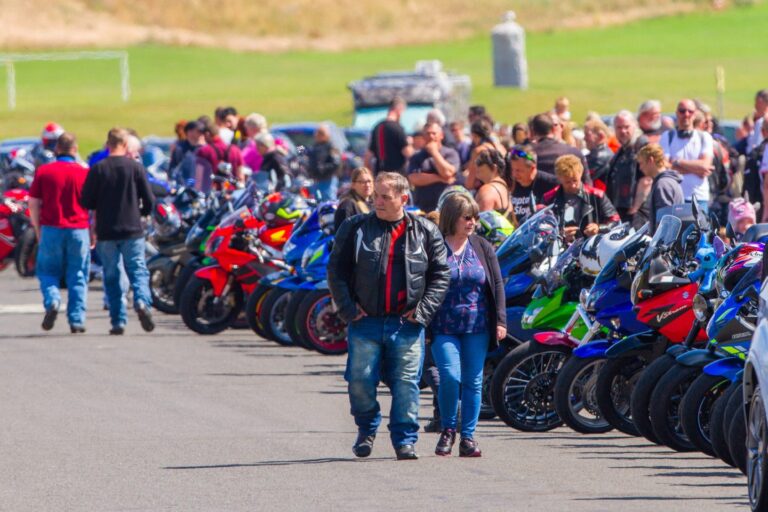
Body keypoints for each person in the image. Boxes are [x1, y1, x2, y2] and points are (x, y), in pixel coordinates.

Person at [327, 172, 450, 461]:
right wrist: (347, 308)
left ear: (403, 199)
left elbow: (441, 275)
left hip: (406, 324)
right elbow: (336, 270)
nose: (377, 201)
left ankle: (405, 440)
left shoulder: (425, 230)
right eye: (375, 196)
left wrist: (422, 312)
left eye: (385, 197)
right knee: (359, 380)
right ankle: (367, 427)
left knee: (407, 383)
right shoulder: (355, 227)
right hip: (364, 321)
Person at [431, 193, 506, 457]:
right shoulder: (436, 246)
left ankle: (469, 437)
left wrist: (500, 320)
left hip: (478, 325)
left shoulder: (482, 246)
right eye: (467, 217)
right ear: (452, 218)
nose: (472, 222)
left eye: (474, 217)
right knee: (450, 376)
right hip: (443, 325)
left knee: (474, 382)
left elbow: (496, 284)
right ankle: (449, 429)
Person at [80, 128, 156, 336]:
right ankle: (142, 301)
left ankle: (118, 320)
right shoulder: (135, 168)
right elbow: (149, 200)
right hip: (132, 228)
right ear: (124, 145)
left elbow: (85, 200)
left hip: (107, 230)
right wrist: (141, 213)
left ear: (108, 144)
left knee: (112, 276)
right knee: (138, 270)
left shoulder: (99, 168)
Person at [28, 132, 90, 333]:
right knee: (78, 273)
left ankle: (53, 299)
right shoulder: (84, 172)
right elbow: (93, 206)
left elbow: (34, 203)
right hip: (79, 228)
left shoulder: (44, 172)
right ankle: (77, 318)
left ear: (57, 149)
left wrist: (38, 228)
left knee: (47, 271)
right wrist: (94, 231)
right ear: (75, 149)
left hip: (52, 228)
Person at [544, 154, 620, 240]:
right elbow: (542, 228)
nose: (573, 185)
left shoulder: (596, 195)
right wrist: (559, 234)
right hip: (560, 249)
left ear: (581, 174)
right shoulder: (549, 198)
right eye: (567, 182)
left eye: (575, 180)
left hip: (590, 246)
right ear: (559, 178)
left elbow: (615, 221)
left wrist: (598, 228)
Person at [660, 98, 714, 209]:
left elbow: (705, 165)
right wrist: (696, 169)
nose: (686, 114)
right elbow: (665, 167)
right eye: (682, 111)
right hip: (674, 197)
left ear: (695, 114)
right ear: (676, 113)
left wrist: (677, 162)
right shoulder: (667, 136)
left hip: (699, 198)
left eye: (690, 111)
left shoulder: (704, 137)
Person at [407, 122, 461, 212]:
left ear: (441, 135)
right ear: (423, 136)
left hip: (447, 207)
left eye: (434, 133)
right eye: (428, 134)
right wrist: (439, 178)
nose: (431, 136)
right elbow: (414, 178)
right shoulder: (416, 156)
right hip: (423, 207)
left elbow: (447, 173)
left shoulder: (451, 153)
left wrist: (434, 152)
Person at [632, 143, 684, 232]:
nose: (640, 168)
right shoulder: (667, 182)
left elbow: (665, 221)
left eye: (641, 163)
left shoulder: (663, 184)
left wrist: (659, 243)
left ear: (650, 160)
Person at [605, 111, 643, 221]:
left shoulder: (641, 146)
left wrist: (635, 209)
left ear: (635, 126)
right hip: (621, 211)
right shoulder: (620, 152)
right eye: (619, 127)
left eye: (627, 127)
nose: (623, 131)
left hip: (637, 214)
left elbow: (646, 180)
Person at [508, 144, 558, 224]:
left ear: (532, 168)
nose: (514, 175)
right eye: (513, 170)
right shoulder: (512, 184)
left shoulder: (551, 184)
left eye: (519, 171)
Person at [530, 113, 589, 178]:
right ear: (553, 129)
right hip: (566, 187)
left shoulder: (528, 154)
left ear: (532, 132)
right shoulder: (574, 152)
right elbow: (587, 183)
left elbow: (518, 153)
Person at [365, 96, 412, 175]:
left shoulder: (378, 127)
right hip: (396, 175)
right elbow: (408, 152)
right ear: (399, 110)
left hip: (380, 174)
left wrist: (369, 173)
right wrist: (410, 143)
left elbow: (368, 156)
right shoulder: (398, 128)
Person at [196, 118, 244, 186]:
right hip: (233, 192)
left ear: (207, 134)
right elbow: (241, 177)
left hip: (212, 192)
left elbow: (199, 177)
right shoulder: (235, 150)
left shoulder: (204, 151)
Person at [465, 119, 507, 190]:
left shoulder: (478, 151)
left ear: (474, 135)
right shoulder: (501, 147)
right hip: (503, 187)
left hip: (485, 190)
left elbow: (469, 183)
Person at [474, 149, 512, 218]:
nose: (477, 175)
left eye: (481, 171)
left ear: (494, 168)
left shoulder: (487, 190)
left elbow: (480, 222)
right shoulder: (505, 187)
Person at [308, 124, 341, 201]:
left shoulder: (332, 147)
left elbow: (336, 163)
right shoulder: (315, 146)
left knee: (328, 201)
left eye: (319, 133)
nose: (316, 135)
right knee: (316, 201)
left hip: (328, 180)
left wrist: (323, 168)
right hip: (316, 179)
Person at [583, 119, 614, 189]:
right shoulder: (606, 153)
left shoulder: (599, 157)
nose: (584, 138)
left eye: (587, 134)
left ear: (601, 136)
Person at [747, 89, 768, 154]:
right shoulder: (758, 121)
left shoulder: (760, 122)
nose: (755, 106)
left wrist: (751, 129)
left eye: (758, 102)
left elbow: (756, 145)